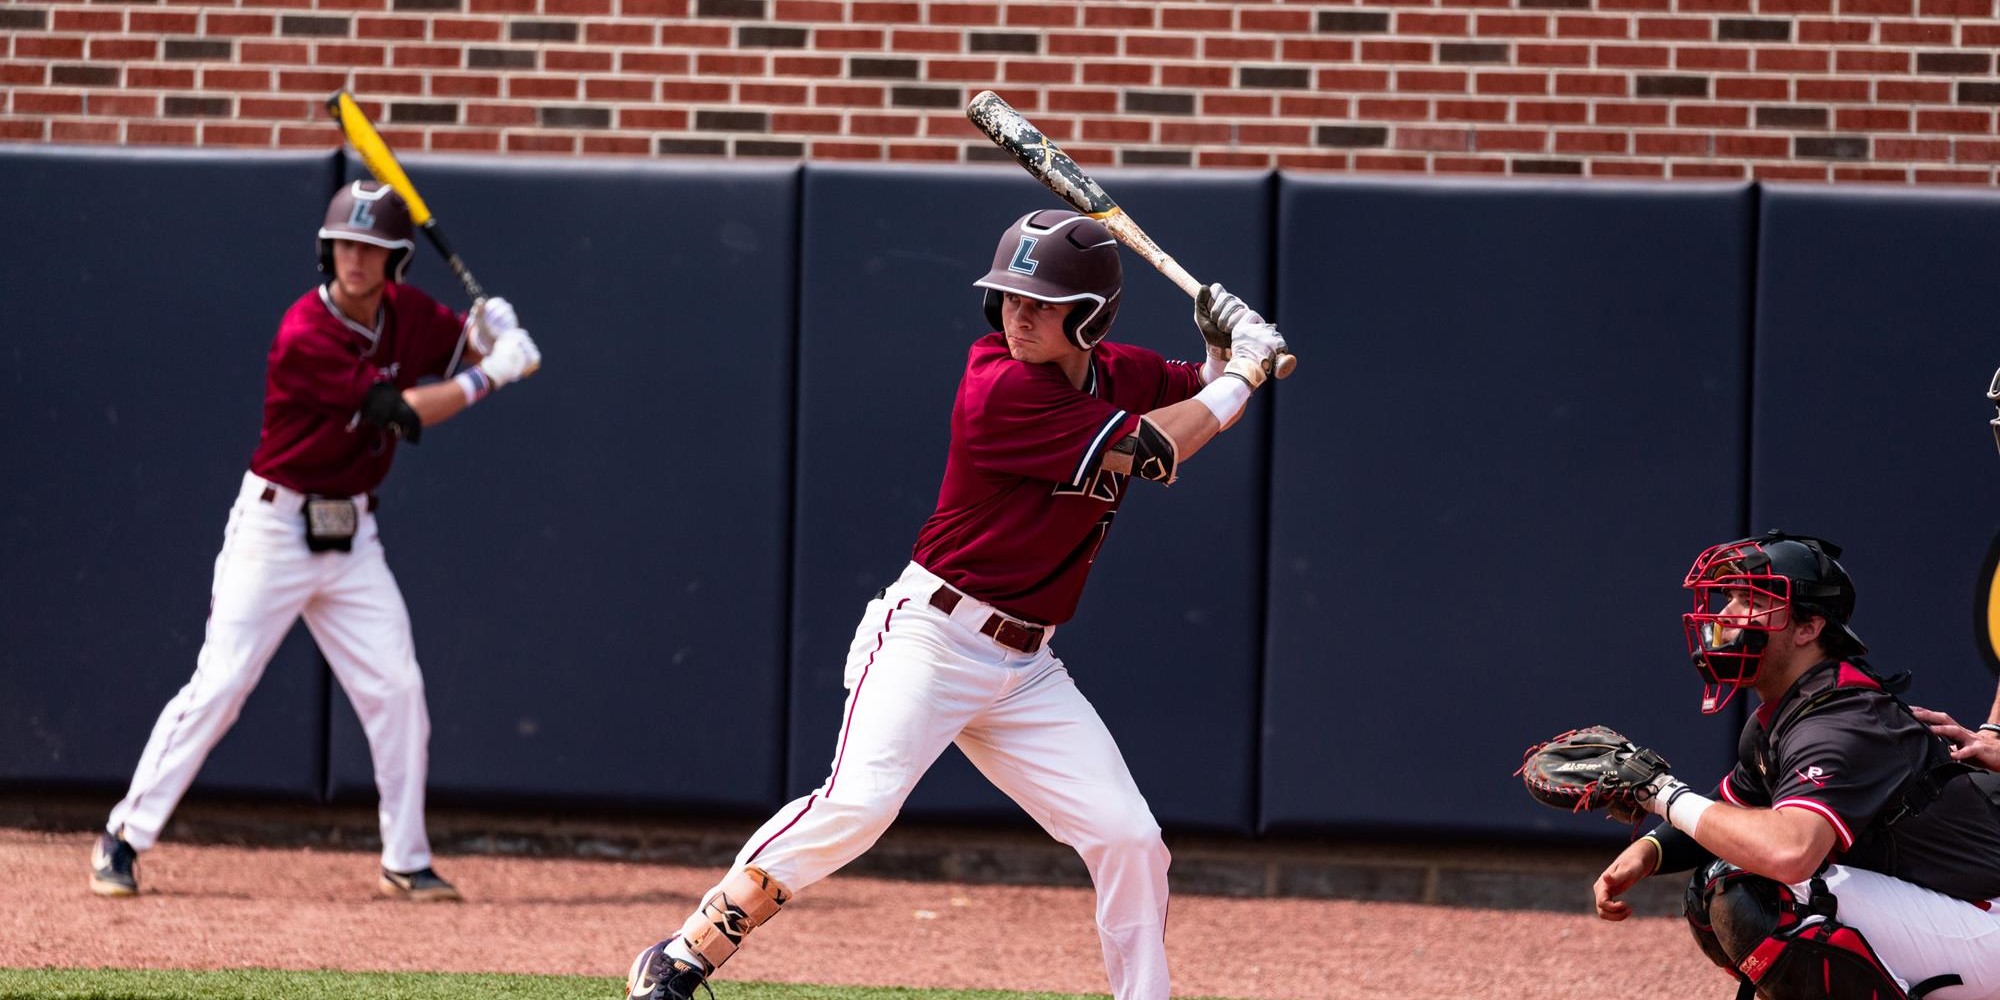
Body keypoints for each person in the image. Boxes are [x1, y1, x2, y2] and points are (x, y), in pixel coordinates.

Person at [621, 208, 1288, 1000]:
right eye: (1009, 294)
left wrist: (1221, 350)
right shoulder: (998, 385)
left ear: (1092, 318)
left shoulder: (1121, 372)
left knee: (1130, 838)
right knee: (860, 805)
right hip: (931, 639)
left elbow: (1195, 398)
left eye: (1041, 300)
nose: (1019, 312)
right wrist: (1244, 371)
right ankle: (682, 955)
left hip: (1027, 666)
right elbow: (1157, 448)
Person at [89, 180, 542, 902]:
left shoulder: (405, 311)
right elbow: (403, 413)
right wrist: (492, 374)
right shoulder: (306, 331)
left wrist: (484, 329)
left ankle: (405, 857)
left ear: (395, 261)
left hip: (352, 531)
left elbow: (452, 339)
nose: (354, 260)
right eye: (343, 245)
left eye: (370, 248)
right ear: (325, 250)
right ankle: (124, 836)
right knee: (222, 686)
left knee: (397, 689)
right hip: (274, 527)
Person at [1592, 531, 2000, 998]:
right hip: (1957, 913)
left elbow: (1791, 852)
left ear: (1808, 628)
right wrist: (1645, 852)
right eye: (1729, 597)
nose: (1724, 615)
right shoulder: (1791, 712)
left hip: (1986, 922)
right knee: (1716, 883)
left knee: (1752, 887)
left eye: (1749, 599)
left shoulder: (1840, 720)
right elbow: (1728, 809)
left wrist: (1660, 793)